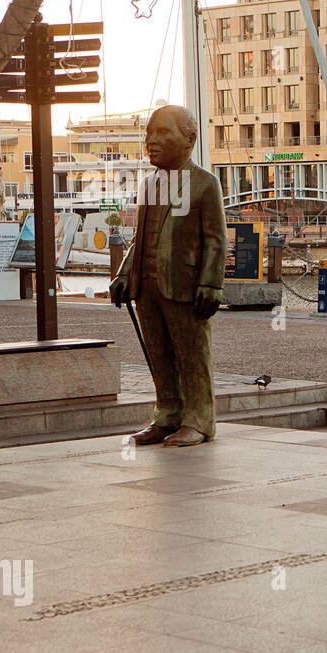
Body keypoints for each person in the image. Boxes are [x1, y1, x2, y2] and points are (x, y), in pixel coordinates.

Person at [110, 105, 225, 448]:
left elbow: (216, 240)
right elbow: (139, 237)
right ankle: (167, 414)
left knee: (192, 355)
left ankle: (200, 419)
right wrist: (124, 273)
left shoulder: (205, 184)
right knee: (158, 354)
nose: (151, 141)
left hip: (185, 286)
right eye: (149, 133)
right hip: (148, 287)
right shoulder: (148, 184)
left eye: (163, 133)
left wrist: (210, 283)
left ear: (189, 139)